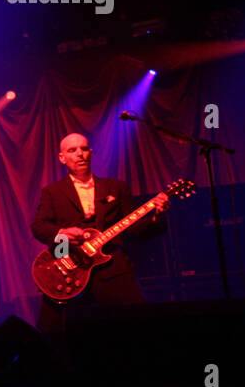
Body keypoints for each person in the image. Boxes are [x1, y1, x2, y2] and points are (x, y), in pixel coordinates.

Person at [30, 133, 168, 337]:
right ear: (62, 158)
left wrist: (156, 217)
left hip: (112, 269)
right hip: (69, 268)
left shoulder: (116, 187)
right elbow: (38, 226)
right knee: (52, 333)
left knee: (139, 325)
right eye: (72, 150)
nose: (80, 154)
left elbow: (134, 229)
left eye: (84, 149)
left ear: (91, 153)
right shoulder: (52, 192)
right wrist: (62, 233)